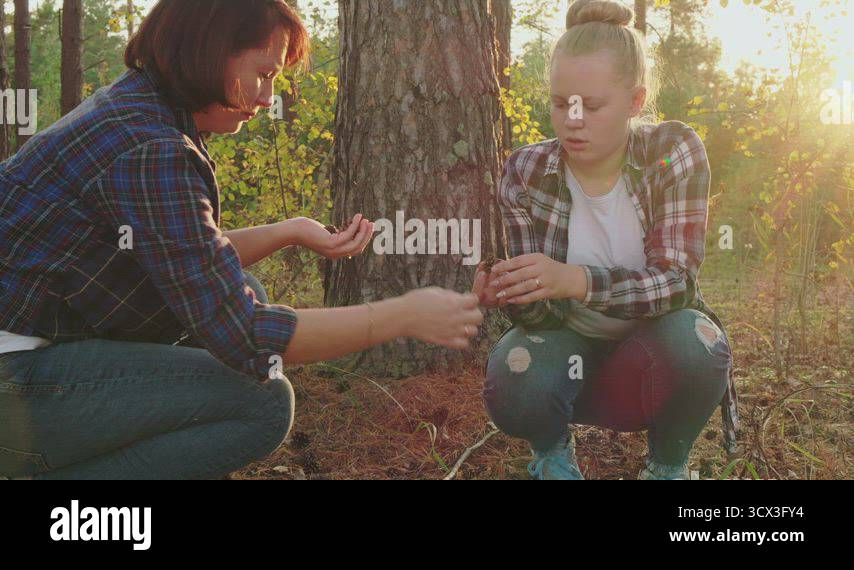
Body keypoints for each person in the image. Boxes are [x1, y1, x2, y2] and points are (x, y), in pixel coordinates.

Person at [0, 0, 483, 480]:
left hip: (35, 357)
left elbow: (182, 257)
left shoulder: (135, 108)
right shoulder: (152, 148)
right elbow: (245, 335)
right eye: (264, 73)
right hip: (15, 384)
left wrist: (290, 229)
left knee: (248, 286)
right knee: (262, 403)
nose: (268, 97)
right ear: (210, 52)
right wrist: (401, 314)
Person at [472, 0, 739, 480]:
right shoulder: (526, 172)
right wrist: (513, 293)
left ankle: (666, 467)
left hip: (652, 350)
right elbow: (543, 316)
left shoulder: (673, 150)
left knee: (697, 346)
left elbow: (676, 284)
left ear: (635, 102)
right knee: (515, 375)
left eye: (592, 106)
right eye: (560, 103)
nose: (573, 120)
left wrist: (574, 280)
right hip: (567, 344)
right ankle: (552, 456)